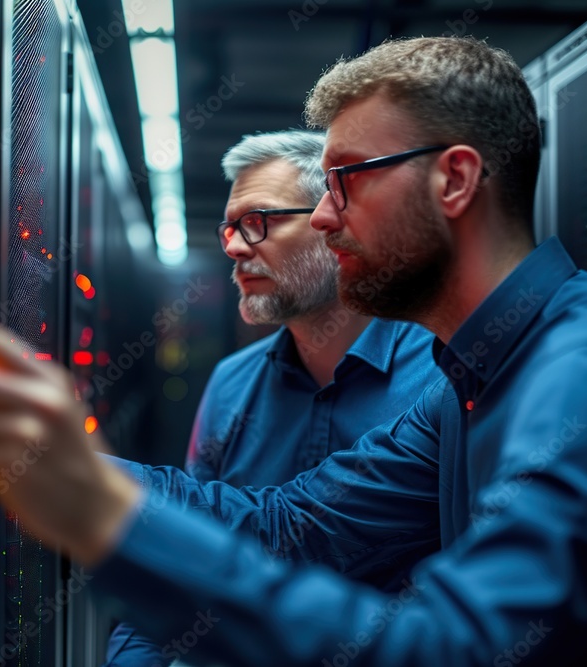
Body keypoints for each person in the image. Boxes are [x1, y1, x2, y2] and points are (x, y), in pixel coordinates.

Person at [0, 36, 587, 666]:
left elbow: (458, 650)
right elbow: (290, 523)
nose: (322, 217)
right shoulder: (469, 376)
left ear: (454, 181)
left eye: (347, 178)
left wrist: (102, 517)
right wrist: (73, 464)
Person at [103, 130, 440, 666]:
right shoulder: (231, 384)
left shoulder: (440, 375)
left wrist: (80, 476)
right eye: (230, 229)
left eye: (259, 221)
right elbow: (184, 558)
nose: (235, 247)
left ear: (335, 221)